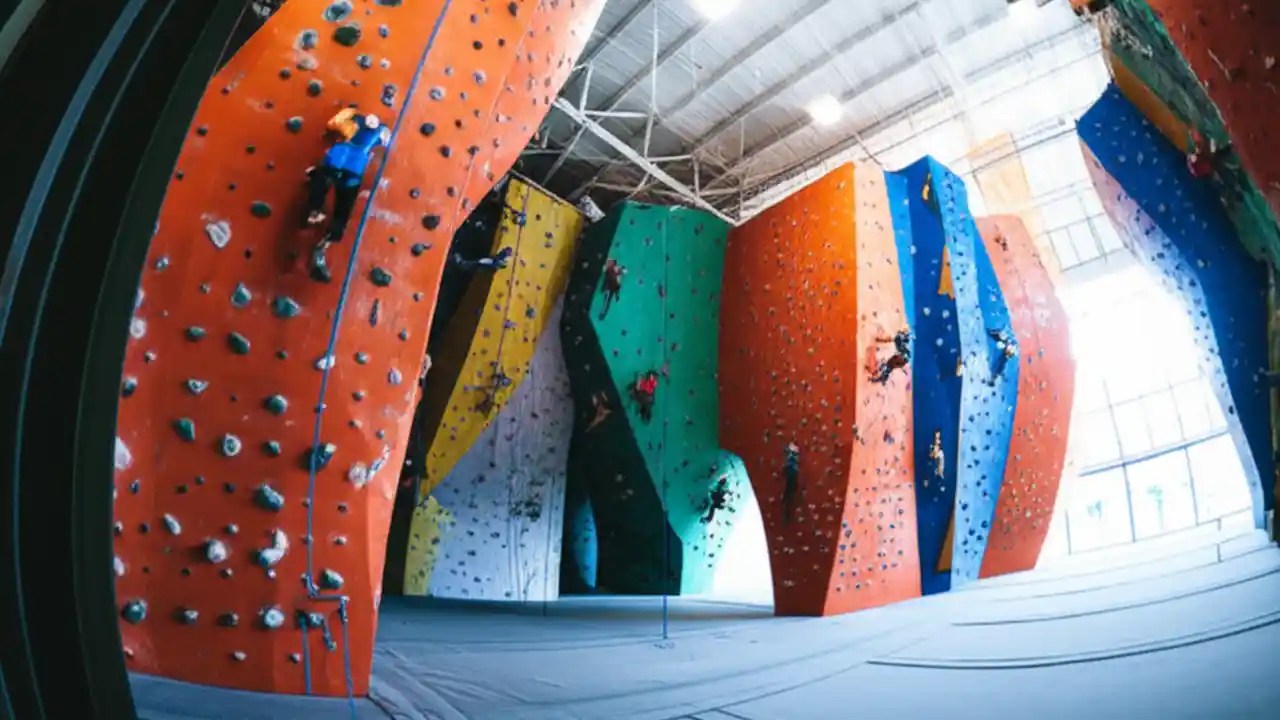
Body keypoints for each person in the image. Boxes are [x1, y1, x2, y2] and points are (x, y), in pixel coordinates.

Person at [304, 108, 391, 282]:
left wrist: (350, 112)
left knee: (321, 179)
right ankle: (325, 240)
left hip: (337, 162)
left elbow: (333, 123)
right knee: (342, 209)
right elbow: (388, 143)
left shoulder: (354, 121)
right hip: (352, 172)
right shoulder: (381, 131)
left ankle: (315, 210)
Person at [782, 442, 801, 525]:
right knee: (789, 496)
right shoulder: (794, 460)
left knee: (788, 497)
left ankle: (787, 515)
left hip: (791, 479)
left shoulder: (792, 461)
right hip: (792, 479)